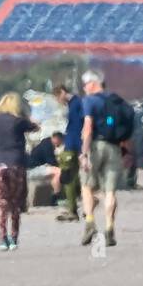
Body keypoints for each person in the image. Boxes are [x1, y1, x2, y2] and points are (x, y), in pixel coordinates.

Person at [0, 91, 39, 251]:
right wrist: (27, 114)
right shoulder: (19, 121)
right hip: (15, 163)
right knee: (15, 203)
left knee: (0, 202)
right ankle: (14, 238)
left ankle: (2, 238)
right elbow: (36, 126)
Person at [78, 70, 130, 247]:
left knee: (86, 186)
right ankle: (109, 228)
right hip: (114, 147)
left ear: (93, 83)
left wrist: (84, 153)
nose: (84, 88)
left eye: (85, 84)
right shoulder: (114, 101)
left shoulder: (89, 101)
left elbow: (88, 127)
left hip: (95, 147)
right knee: (110, 192)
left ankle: (90, 222)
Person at [53, 85, 81, 221]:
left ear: (63, 92)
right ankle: (75, 207)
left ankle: (73, 209)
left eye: (58, 97)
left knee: (68, 176)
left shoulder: (76, 104)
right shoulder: (74, 104)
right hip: (74, 143)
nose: (59, 101)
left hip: (74, 144)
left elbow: (79, 126)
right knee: (74, 176)